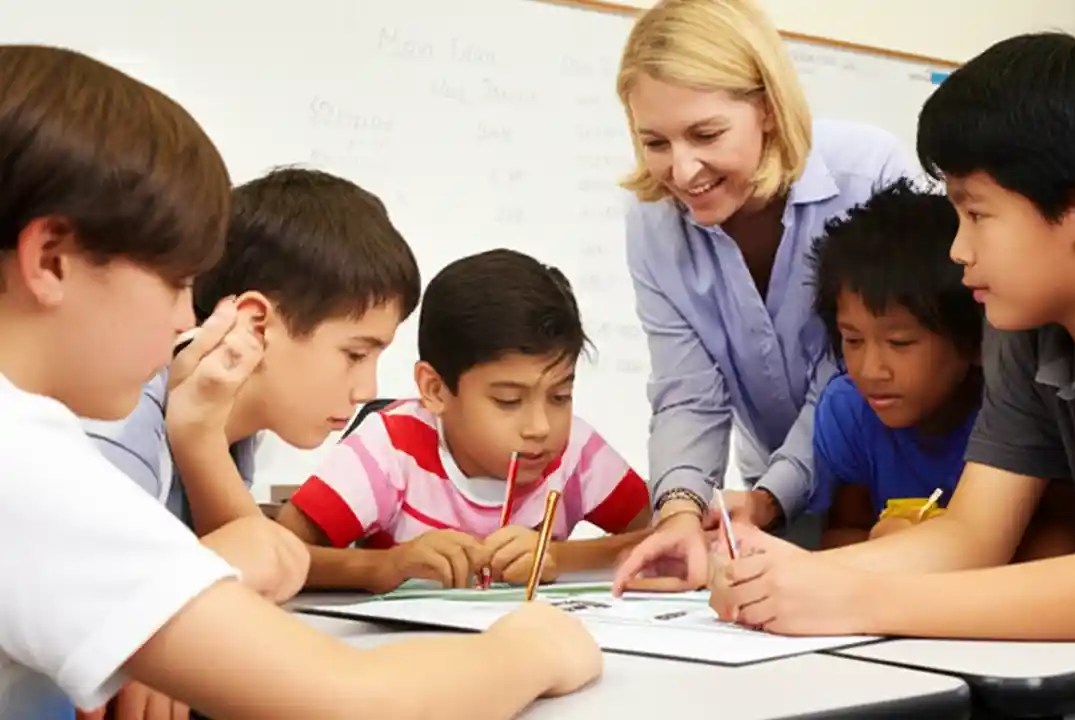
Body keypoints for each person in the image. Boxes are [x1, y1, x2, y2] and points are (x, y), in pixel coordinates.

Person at [0, 44, 599, 718]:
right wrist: (537, 648)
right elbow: (354, 704)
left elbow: (269, 561)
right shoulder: (25, 459)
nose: (186, 319)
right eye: (175, 283)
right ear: (51, 260)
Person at [711, 32, 1075, 640]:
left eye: (977, 214)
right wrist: (784, 574)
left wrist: (851, 600)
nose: (959, 249)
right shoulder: (1027, 327)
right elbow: (970, 537)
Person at [613, 0, 914, 592]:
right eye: (655, 142)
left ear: (768, 109)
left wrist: (772, 495)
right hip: (777, 496)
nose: (682, 170)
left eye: (706, 134)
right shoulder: (652, 223)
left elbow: (847, 374)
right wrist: (679, 511)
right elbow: (687, 390)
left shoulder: (867, 174)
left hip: (898, 487)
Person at [278, 249, 653, 592]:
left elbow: (669, 538)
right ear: (435, 390)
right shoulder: (390, 448)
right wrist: (386, 565)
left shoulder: (576, 453)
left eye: (560, 397)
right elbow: (277, 552)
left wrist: (560, 558)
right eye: (508, 400)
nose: (540, 427)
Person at [83, 168, 421, 537]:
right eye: (355, 355)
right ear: (257, 325)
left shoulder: (237, 435)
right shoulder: (126, 425)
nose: (367, 391)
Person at [808, 179, 982, 547]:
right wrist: (882, 541)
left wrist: (936, 548)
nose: (871, 371)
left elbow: (1057, 541)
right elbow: (839, 533)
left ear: (973, 340)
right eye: (853, 340)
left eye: (900, 342)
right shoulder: (849, 411)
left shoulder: (1012, 410)